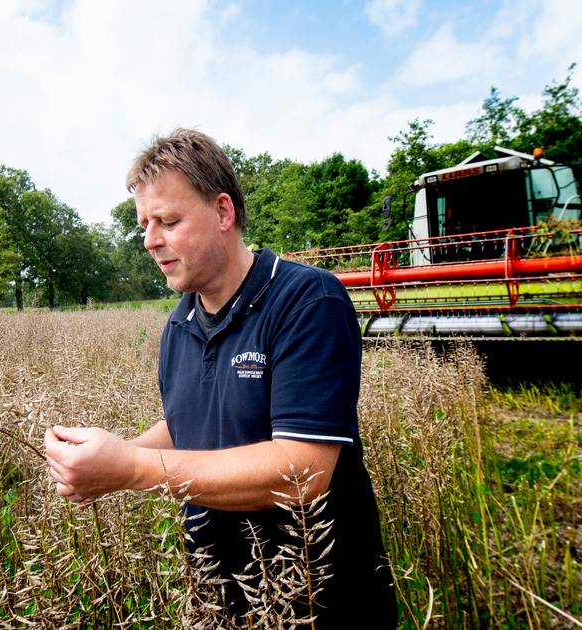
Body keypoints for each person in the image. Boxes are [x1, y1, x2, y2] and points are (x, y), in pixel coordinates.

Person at [44, 128, 396, 627]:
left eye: (167, 220)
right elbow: (188, 419)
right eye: (145, 224)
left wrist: (130, 469)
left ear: (223, 213)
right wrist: (106, 461)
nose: (149, 240)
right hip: (218, 590)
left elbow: (304, 470)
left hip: (317, 595)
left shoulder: (307, 301)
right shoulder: (178, 324)